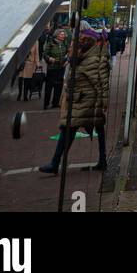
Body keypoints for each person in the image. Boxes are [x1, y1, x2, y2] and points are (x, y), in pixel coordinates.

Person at [40, 22, 110, 173]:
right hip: (83, 101)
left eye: (72, 48)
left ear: (80, 49)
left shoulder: (91, 61)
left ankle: (55, 163)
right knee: (77, 130)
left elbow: (101, 82)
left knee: (68, 130)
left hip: (86, 101)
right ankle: (101, 160)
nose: (69, 50)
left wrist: (104, 102)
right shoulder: (80, 60)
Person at [42, 26, 70, 109]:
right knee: (49, 86)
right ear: (57, 35)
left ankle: (55, 103)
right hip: (52, 68)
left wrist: (67, 61)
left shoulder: (65, 43)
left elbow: (69, 52)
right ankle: (46, 104)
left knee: (59, 86)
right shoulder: (51, 43)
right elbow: (45, 54)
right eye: (61, 34)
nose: (63, 35)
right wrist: (50, 59)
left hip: (61, 67)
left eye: (63, 34)